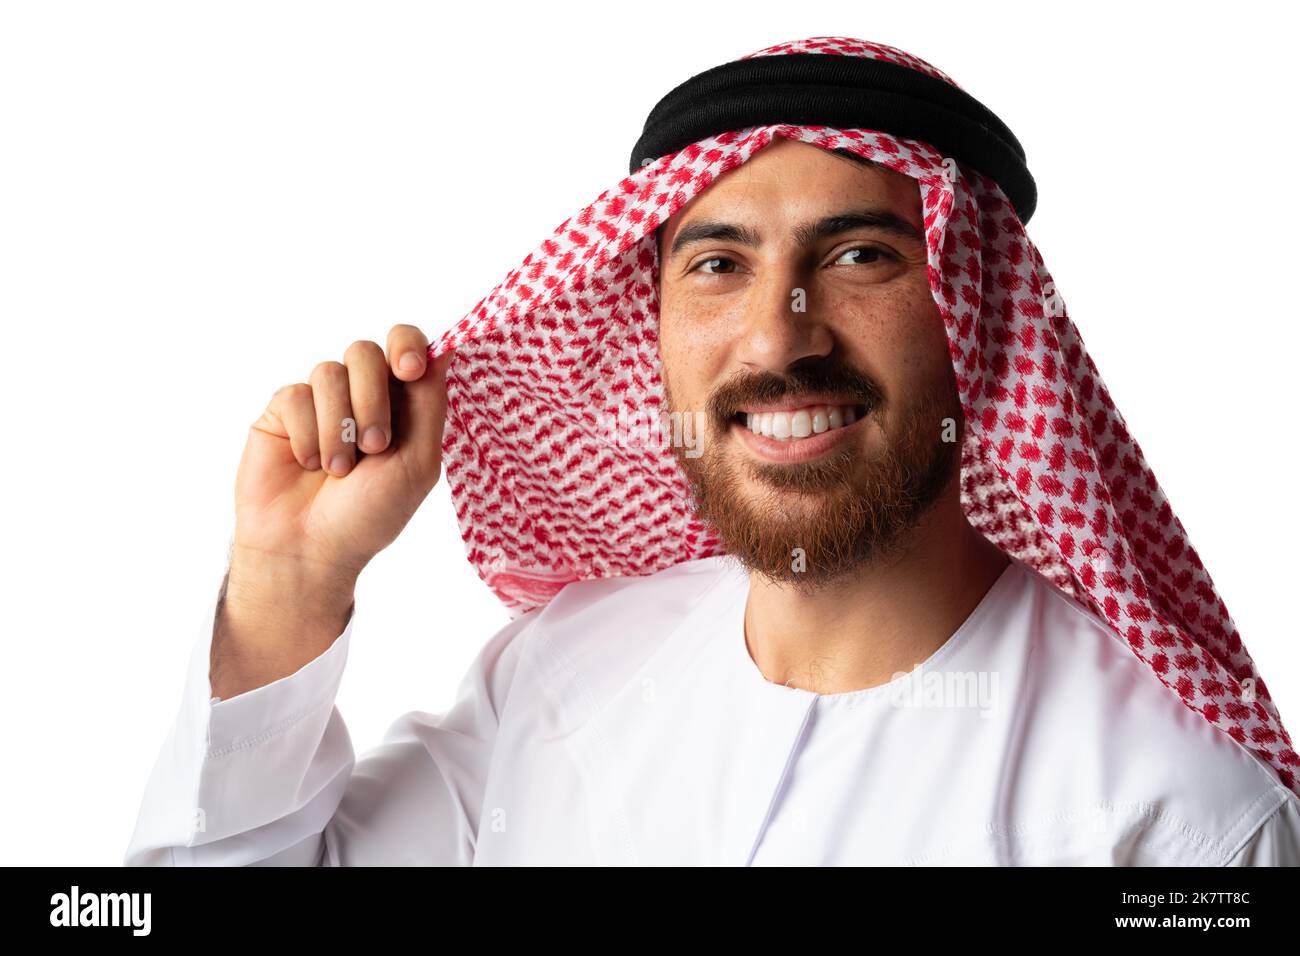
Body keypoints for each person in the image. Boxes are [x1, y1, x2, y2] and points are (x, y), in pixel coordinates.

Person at [125, 36, 1300, 865]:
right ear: (655, 327)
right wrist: (289, 582)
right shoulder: (557, 676)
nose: (777, 335)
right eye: (717, 263)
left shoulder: (1176, 813)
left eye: (858, 258)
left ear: (976, 315)